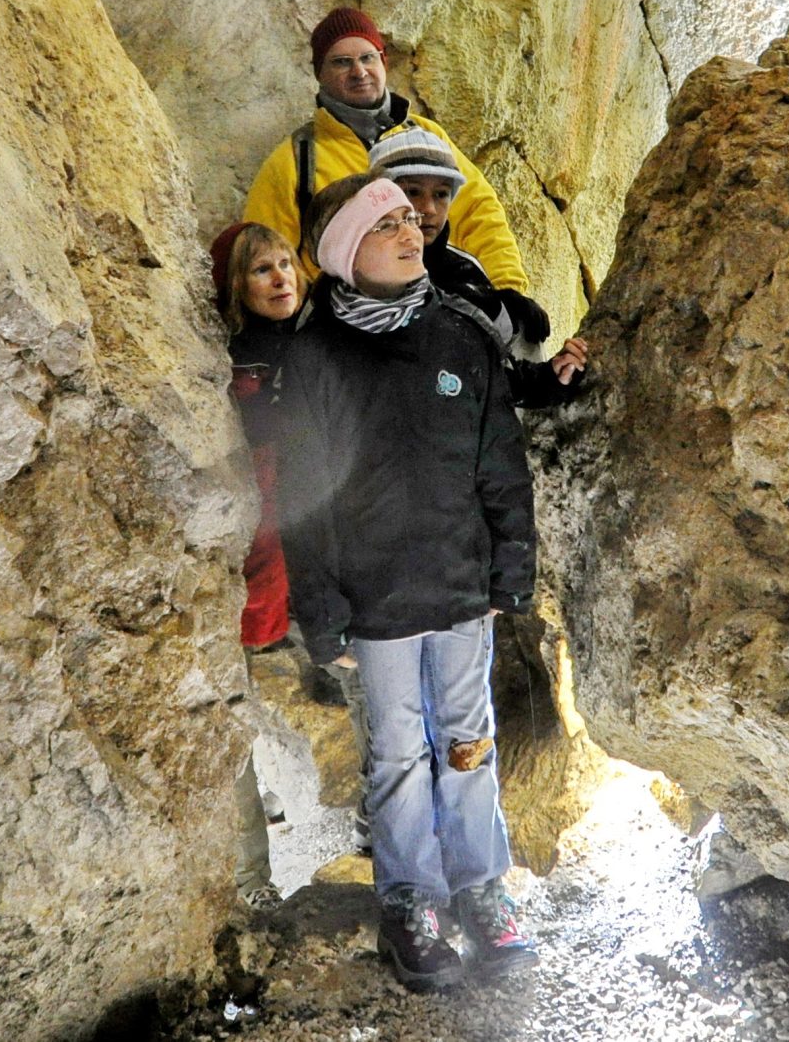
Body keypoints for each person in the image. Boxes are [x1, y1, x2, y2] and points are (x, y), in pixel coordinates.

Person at [277, 173, 538, 991]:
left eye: (409, 218)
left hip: (462, 586)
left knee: (468, 741)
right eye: (385, 223)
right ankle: (410, 897)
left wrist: (513, 566)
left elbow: (503, 463)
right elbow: (301, 501)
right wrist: (323, 615)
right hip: (377, 600)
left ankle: (480, 883)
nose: (410, 230)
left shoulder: (459, 335)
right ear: (346, 252)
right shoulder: (315, 356)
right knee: (395, 752)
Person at [242, 8, 543, 322]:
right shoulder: (295, 159)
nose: (358, 71)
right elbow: (264, 256)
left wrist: (507, 288)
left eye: (368, 57)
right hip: (346, 330)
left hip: (445, 315)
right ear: (319, 73)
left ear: (383, 61)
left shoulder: (427, 137)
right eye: (341, 62)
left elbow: (478, 212)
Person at [211, 221, 306, 913]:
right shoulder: (225, 363)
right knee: (231, 722)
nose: (279, 277)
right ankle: (251, 878)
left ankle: (378, 838)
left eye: (285, 263)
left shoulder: (321, 341)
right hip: (251, 547)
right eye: (260, 269)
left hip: (310, 546)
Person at [367, 128, 587, 405]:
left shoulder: (465, 271)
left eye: (441, 194)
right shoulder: (352, 282)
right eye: (412, 192)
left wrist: (551, 377)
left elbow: (495, 377)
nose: (429, 209)